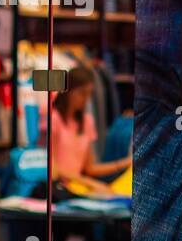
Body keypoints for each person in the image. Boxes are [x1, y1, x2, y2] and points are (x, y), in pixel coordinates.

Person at [48, 66, 131, 197]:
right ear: (68, 91)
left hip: (78, 187)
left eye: (88, 94)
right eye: (82, 93)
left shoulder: (87, 122)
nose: (86, 99)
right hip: (58, 188)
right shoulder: (54, 119)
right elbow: (53, 169)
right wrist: (90, 183)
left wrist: (125, 163)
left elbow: (90, 168)